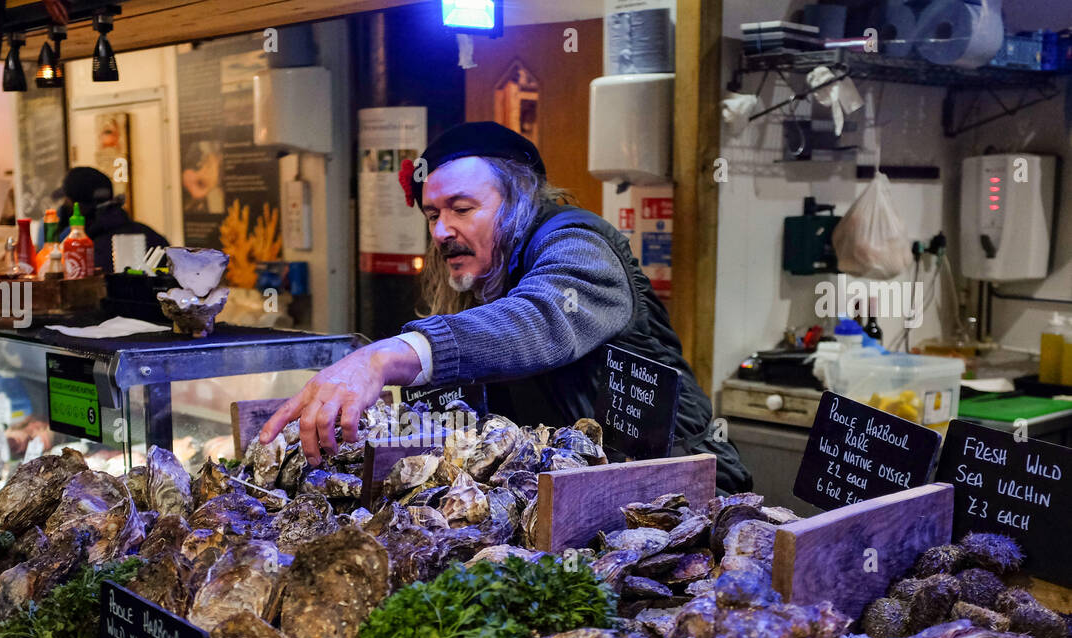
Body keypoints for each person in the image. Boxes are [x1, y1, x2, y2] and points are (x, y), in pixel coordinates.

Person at [262, 121, 750, 493]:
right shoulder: (484, 276)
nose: (440, 231)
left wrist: (383, 357)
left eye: (462, 208)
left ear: (517, 199)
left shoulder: (578, 243)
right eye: (433, 214)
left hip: (678, 485)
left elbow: (537, 320)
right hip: (579, 490)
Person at [55, 166, 169, 274]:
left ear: (78, 207)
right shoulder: (152, 237)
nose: (63, 206)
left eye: (66, 200)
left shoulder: (85, 255)